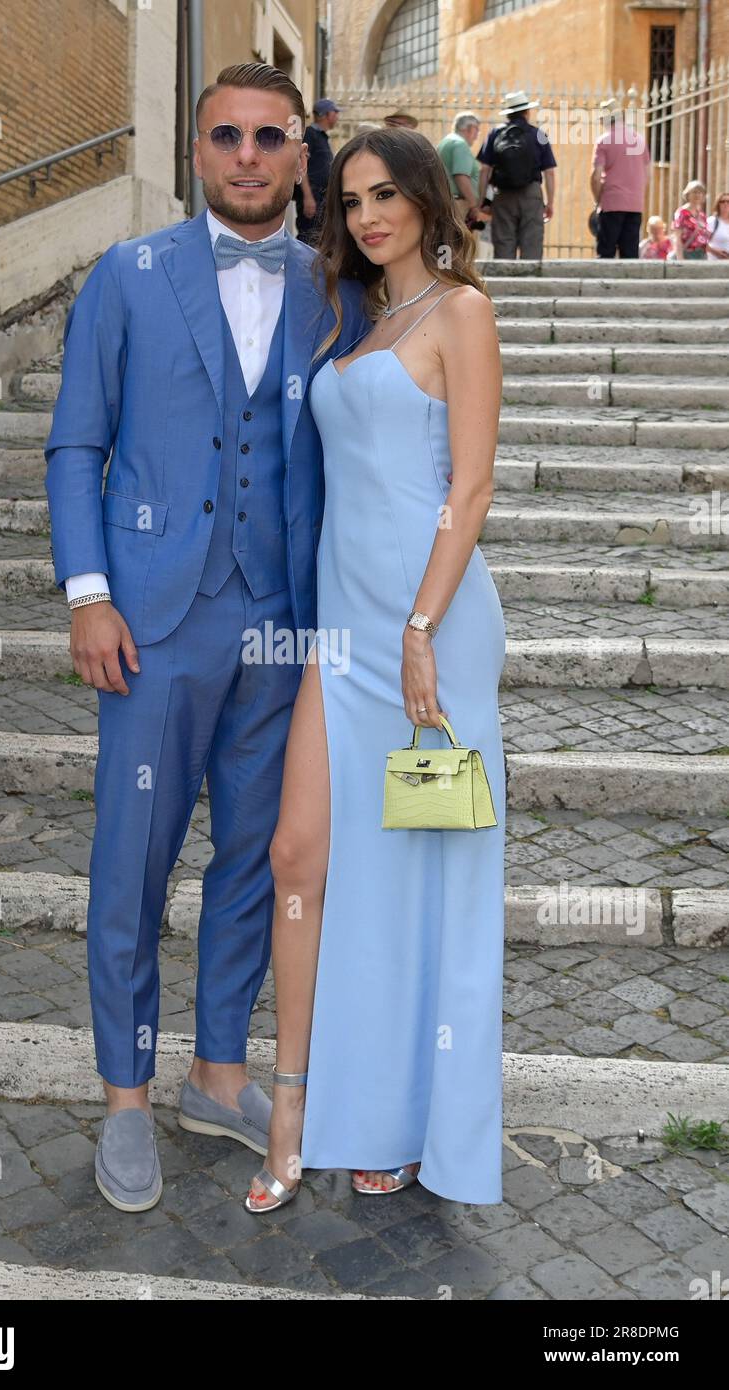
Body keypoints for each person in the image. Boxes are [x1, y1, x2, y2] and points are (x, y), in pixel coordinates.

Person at [44, 61, 369, 1213]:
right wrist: (88, 589)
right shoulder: (126, 278)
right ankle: (125, 1092)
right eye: (224, 135)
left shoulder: (339, 290)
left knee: (250, 854)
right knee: (132, 856)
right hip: (150, 617)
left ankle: (215, 1071)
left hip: (280, 618)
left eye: (267, 137)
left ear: (299, 153)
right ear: (195, 152)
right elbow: (76, 443)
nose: (245, 155)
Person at [246, 125, 506, 1212]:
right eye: (349, 199)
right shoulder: (357, 317)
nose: (365, 215)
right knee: (295, 853)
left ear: (426, 200)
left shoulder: (460, 312)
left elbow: (473, 488)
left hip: (426, 628)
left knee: (418, 881)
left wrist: (417, 629)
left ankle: (405, 1123)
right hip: (338, 632)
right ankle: (296, 1106)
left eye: (384, 194)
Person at [476, 90, 556, 260]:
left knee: (504, 242)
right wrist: (550, 202)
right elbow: (549, 172)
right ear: (527, 112)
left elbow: (484, 170)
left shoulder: (495, 133)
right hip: (531, 194)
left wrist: (481, 200)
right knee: (531, 243)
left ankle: (505, 282)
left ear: (508, 114)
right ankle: (531, 283)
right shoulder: (538, 134)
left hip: (503, 194)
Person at [591, 97, 651, 259]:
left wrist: (598, 199)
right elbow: (648, 175)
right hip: (635, 203)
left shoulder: (604, 141)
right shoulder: (639, 140)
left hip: (612, 201)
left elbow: (596, 176)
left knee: (606, 251)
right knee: (630, 253)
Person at [437, 110, 493, 251]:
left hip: (447, 200)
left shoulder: (446, 141)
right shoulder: (459, 144)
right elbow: (461, 176)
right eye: (477, 130)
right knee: (458, 246)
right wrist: (474, 206)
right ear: (469, 129)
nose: (476, 135)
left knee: (447, 244)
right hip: (458, 204)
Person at [294, 97, 340, 244]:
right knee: (308, 237)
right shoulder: (310, 134)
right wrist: (308, 197)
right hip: (312, 196)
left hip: (321, 197)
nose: (337, 116)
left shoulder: (322, 136)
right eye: (335, 112)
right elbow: (301, 164)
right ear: (325, 115)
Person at [673, 181, 712, 260]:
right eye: (694, 192)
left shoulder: (702, 215)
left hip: (702, 255)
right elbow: (677, 238)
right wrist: (680, 259)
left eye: (700, 192)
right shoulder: (682, 213)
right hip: (687, 254)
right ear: (688, 194)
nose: (697, 195)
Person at [705, 192, 729, 262]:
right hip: (715, 264)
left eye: (728, 201)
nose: (726, 204)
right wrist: (715, 252)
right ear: (718, 204)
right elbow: (702, 244)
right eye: (722, 201)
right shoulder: (712, 221)